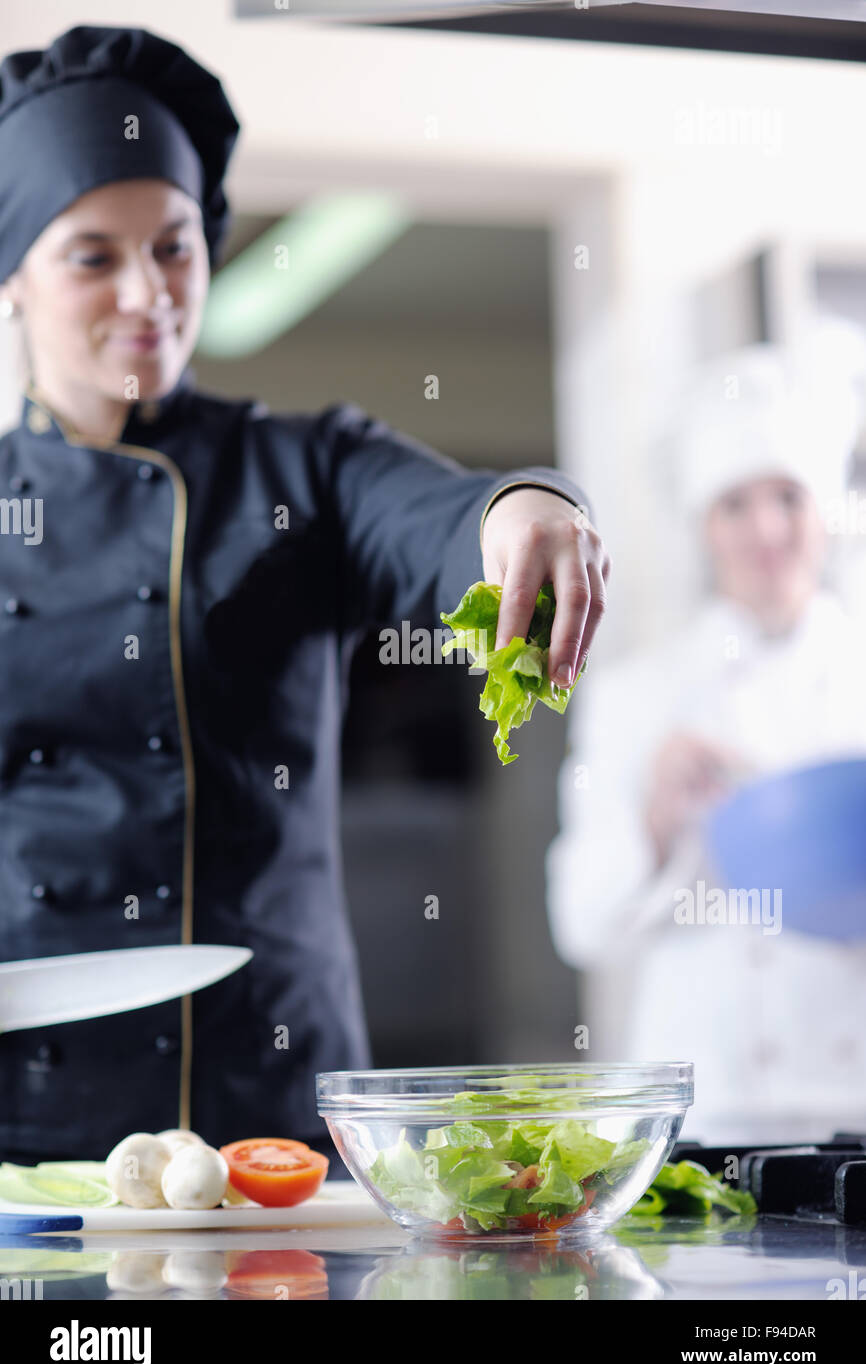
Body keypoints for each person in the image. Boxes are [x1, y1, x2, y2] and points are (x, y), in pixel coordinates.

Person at [0, 25, 609, 1166]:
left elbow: (437, 519)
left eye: (176, 247)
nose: (149, 293)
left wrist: (523, 511)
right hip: (26, 1140)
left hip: (267, 1106)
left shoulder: (303, 470)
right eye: (94, 255)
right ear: (13, 278)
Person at [546, 340, 866, 1144]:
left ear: (824, 512)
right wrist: (654, 818)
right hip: (706, 1107)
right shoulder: (635, 695)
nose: (766, 529)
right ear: (704, 525)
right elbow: (579, 926)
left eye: (789, 497)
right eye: (735, 505)